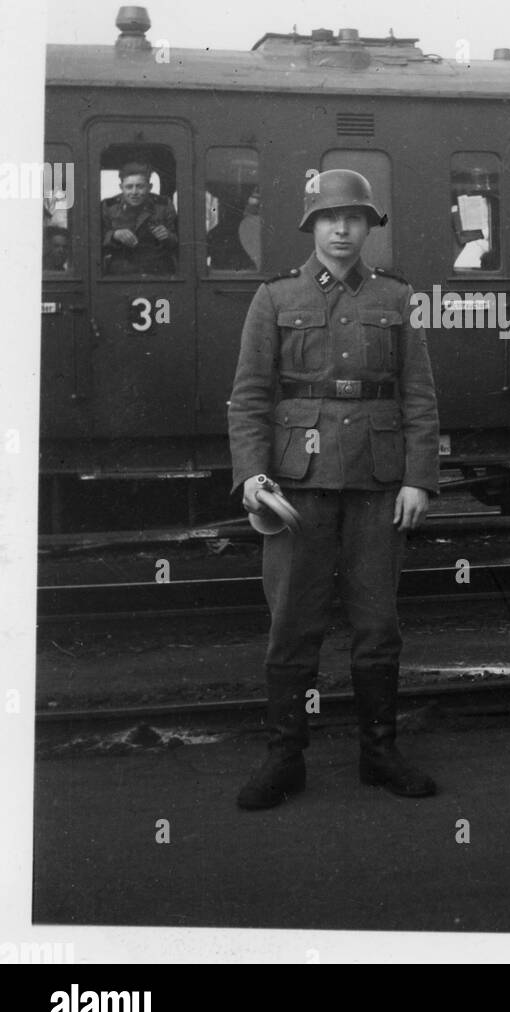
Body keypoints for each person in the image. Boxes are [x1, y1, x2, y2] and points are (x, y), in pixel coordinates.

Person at [228, 168, 440, 809]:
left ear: (370, 228)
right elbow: (249, 400)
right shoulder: (274, 297)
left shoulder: (396, 298)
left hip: (378, 485)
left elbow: (419, 397)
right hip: (298, 487)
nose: (342, 228)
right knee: (293, 626)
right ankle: (283, 760)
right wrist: (252, 476)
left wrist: (419, 479)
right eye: (330, 218)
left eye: (355, 219)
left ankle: (379, 755)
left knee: (378, 625)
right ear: (312, 226)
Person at [101, 162, 178, 275]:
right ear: (121, 187)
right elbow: (96, 240)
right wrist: (114, 235)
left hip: (158, 273)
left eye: (140, 186)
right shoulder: (108, 207)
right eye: (129, 187)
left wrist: (168, 236)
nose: (134, 192)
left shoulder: (164, 206)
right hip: (120, 274)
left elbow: (180, 241)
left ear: (149, 187)